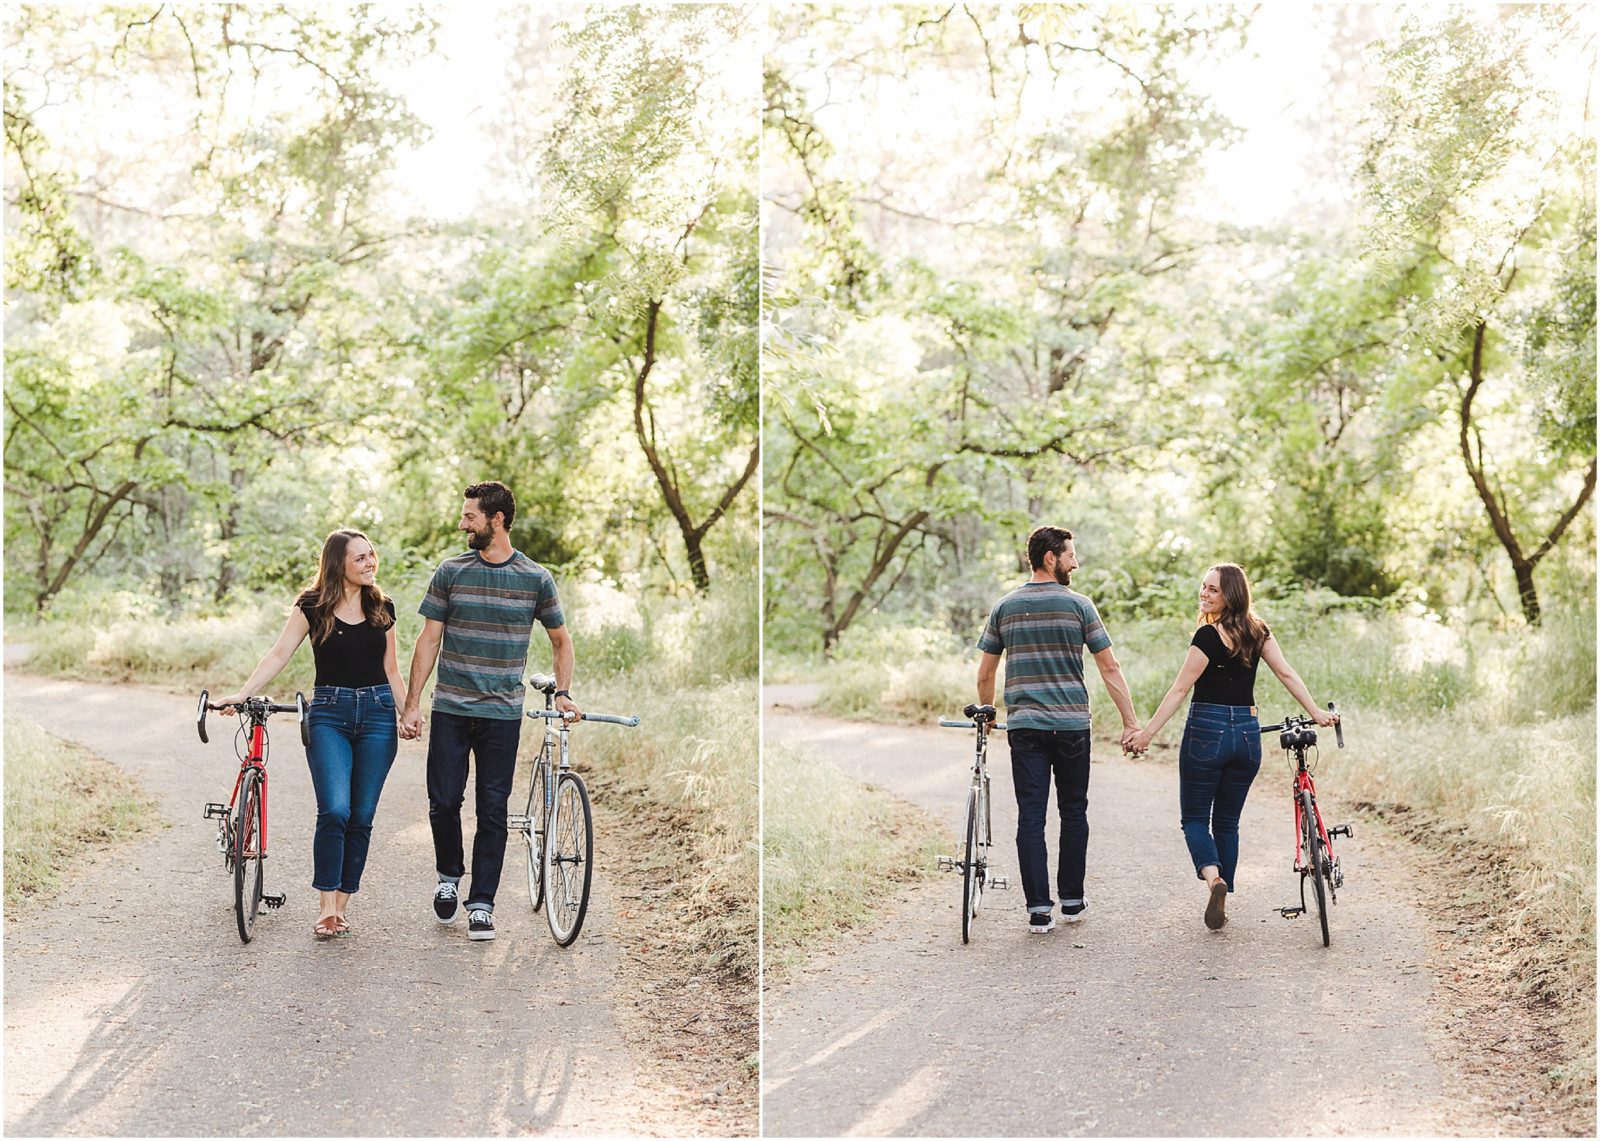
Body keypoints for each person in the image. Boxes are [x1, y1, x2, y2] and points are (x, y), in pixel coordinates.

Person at [399, 481, 580, 942]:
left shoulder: (535, 578)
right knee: (443, 801)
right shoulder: (450, 571)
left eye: (470, 517)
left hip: (502, 713)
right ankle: (448, 875)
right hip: (452, 707)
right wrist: (414, 702)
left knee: (493, 809)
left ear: (496, 520)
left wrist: (563, 692)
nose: (462, 524)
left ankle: (482, 902)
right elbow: (429, 639)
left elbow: (561, 641)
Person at [1126, 563, 1337, 930]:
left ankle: (1214, 881)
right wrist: (1315, 711)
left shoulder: (1207, 637)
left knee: (1194, 818)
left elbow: (1180, 690)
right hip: (1247, 734)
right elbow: (1286, 673)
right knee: (1227, 821)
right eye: (1204, 587)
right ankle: (1225, 894)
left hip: (1206, 731)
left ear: (1231, 595)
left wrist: (1147, 734)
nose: (1204, 594)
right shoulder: (1258, 632)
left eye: (1213, 590)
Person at [217, 529, 406, 939]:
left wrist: (407, 711)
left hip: (377, 714)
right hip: (329, 714)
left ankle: (341, 904)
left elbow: (391, 669)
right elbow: (280, 653)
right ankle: (324, 905)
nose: (370, 563)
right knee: (335, 809)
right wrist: (244, 692)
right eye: (360, 558)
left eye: (371, 555)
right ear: (338, 563)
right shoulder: (312, 606)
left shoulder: (382, 606)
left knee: (362, 816)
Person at [976, 525, 1141, 934]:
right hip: (1071, 727)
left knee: (1030, 816)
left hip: (1026, 727)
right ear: (1050, 558)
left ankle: (1038, 909)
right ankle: (1071, 900)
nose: (1075, 562)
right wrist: (1130, 722)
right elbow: (1109, 667)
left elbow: (985, 673)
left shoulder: (1005, 607)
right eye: (1070, 555)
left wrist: (990, 713)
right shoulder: (1080, 606)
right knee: (1073, 811)